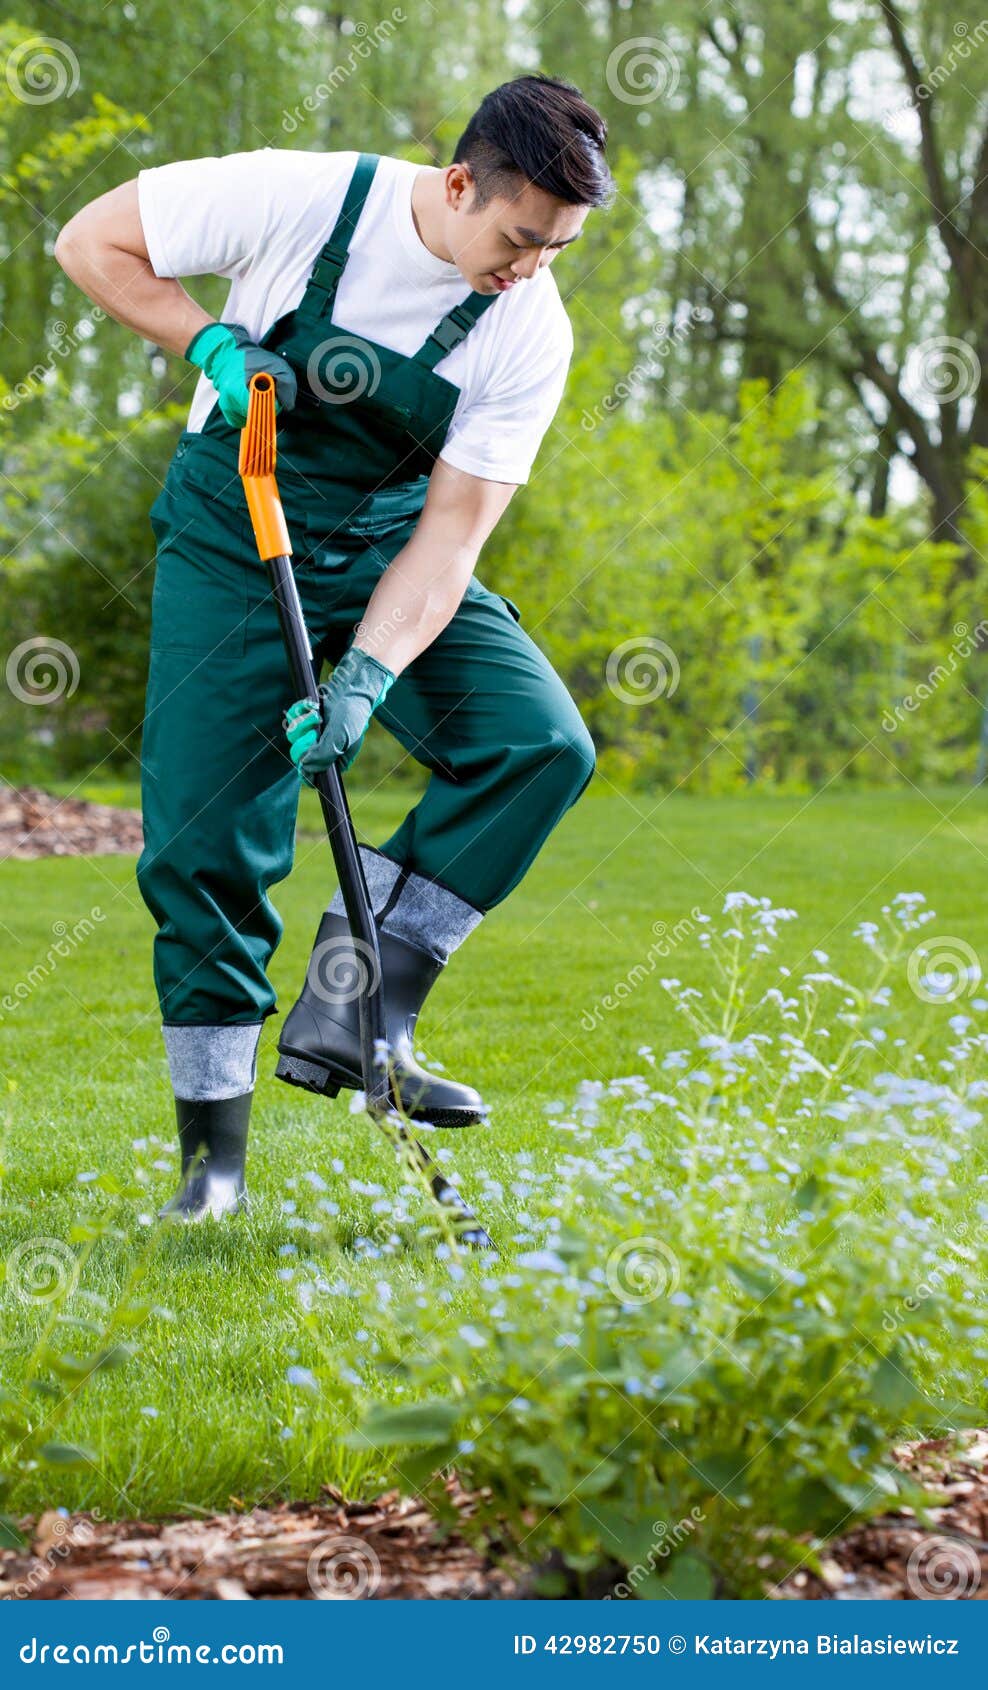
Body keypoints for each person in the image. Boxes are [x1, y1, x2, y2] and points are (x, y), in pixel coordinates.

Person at [54, 74, 613, 1221]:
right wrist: (208, 341)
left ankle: (357, 1011)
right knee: (207, 844)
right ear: (458, 186)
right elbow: (89, 241)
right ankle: (212, 1172)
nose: (530, 269)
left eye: (557, 249)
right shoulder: (299, 197)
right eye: (519, 240)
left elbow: (451, 537)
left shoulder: (527, 327)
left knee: (536, 745)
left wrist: (365, 677)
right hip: (232, 535)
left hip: (385, 549)